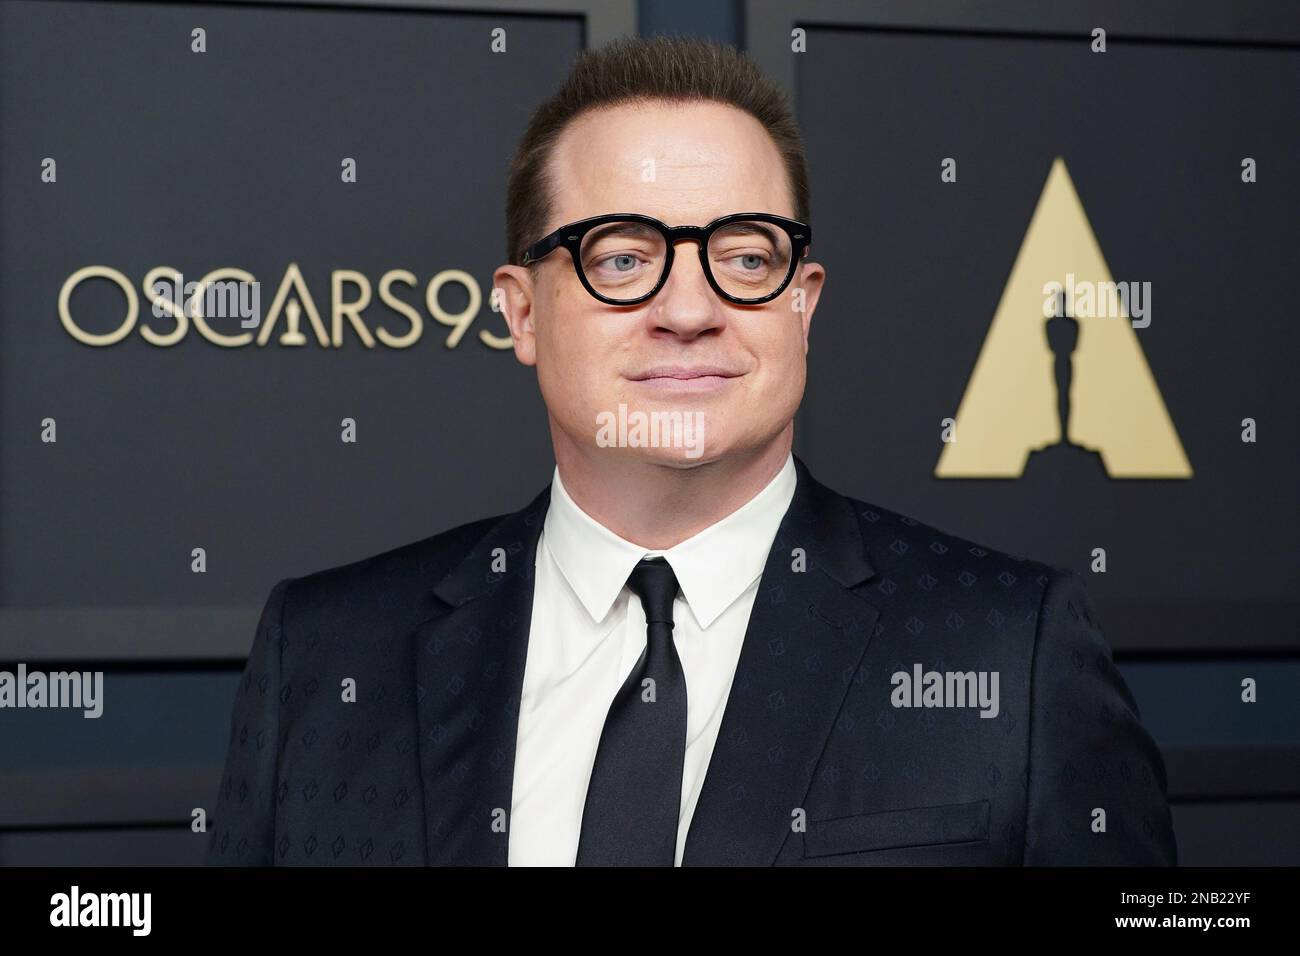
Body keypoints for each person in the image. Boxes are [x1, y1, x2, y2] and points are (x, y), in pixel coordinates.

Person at [207, 35, 1176, 867]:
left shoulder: (1013, 649)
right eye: (621, 257)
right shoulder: (327, 653)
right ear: (519, 311)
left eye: (745, 256)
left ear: (804, 302)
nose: (687, 310)